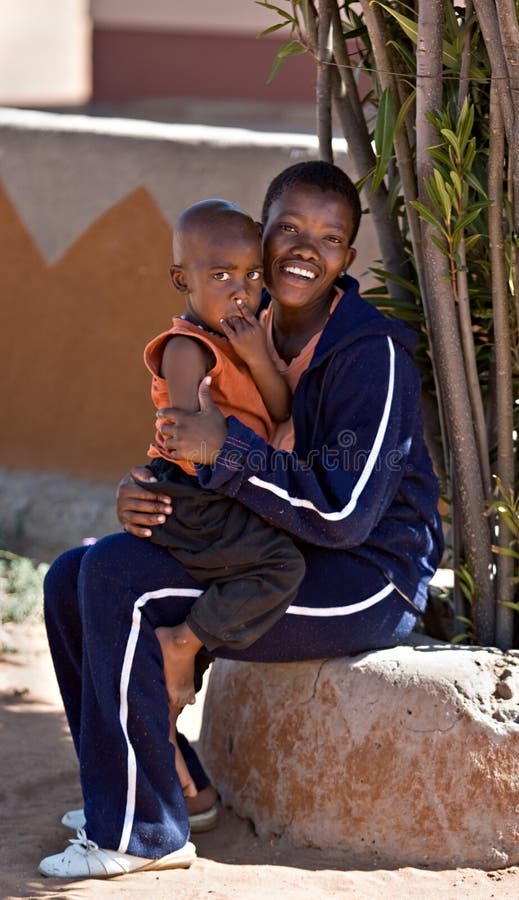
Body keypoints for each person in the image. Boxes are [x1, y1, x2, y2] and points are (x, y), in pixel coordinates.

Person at [40, 160, 444, 879]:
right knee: (73, 574)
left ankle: (140, 832)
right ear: (261, 238)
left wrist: (230, 454)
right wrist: (148, 491)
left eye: (327, 237)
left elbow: (344, 514)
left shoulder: (369, 355)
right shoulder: (238, 330)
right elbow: (196, 438)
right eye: (288, 228)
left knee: (117, 580)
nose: (303, 249)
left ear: (348, 258)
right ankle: (170, 792)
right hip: (269, 542)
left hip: (362, 576)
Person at [138, 199, 305, 793]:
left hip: (224, 489)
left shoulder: (246, 341)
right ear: (182, 280)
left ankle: (171, 716)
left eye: (253, 275)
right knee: (280, 565)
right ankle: (181, 644)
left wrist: (260, 357)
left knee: (250, 571)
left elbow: (281, 409)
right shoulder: (188, 347)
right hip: (192, 499)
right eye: (220, 276)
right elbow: (183, 436)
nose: (242, 289)